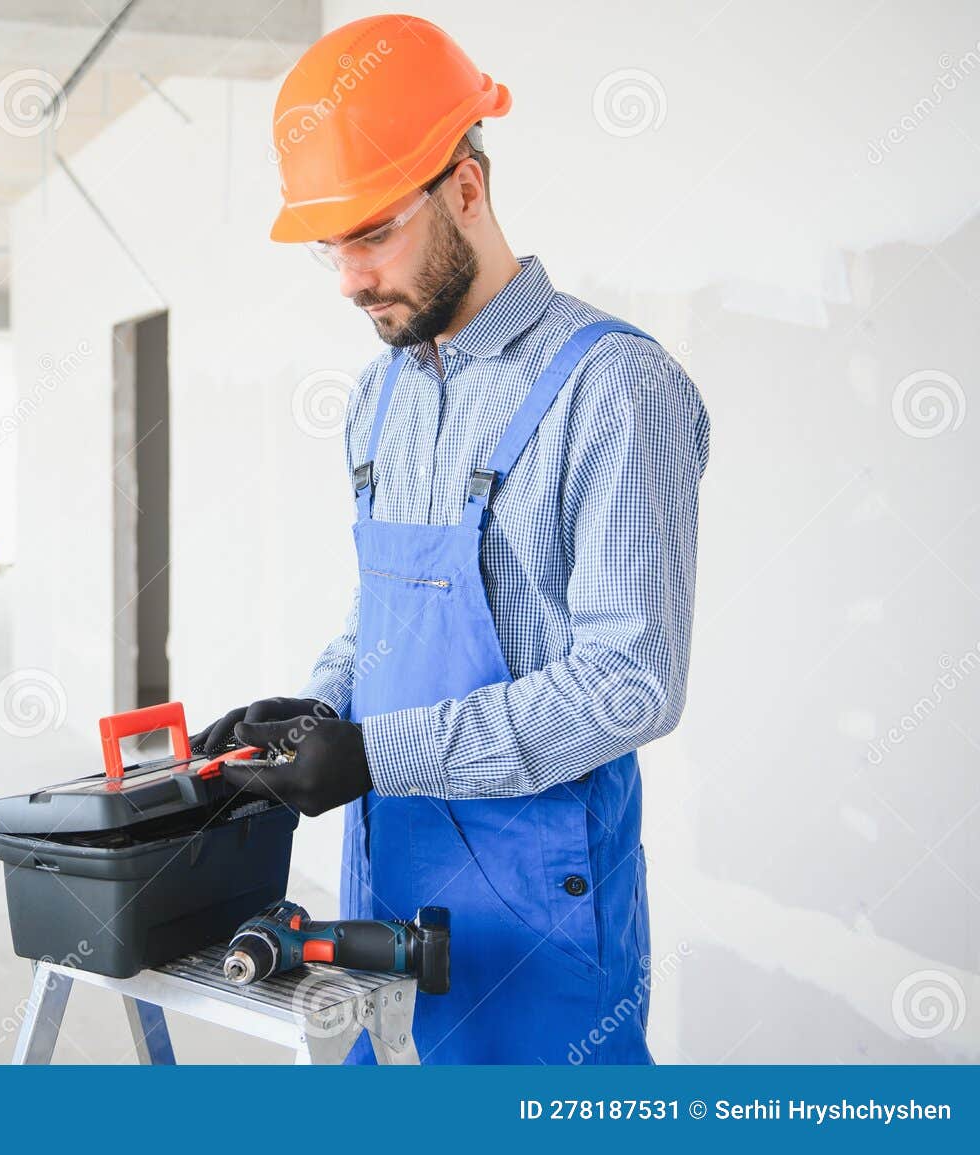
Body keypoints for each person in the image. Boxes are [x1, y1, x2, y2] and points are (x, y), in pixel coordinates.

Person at [195, 14, 711, 1064]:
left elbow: (631, 683)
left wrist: (374, 752)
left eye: (372, 233)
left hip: (538, 901)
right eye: (329, 248)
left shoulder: (614, 389)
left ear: (465, 189)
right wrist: (321, 705)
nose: (348, 279)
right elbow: (381, 609)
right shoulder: (375, 398)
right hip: (387, 868)